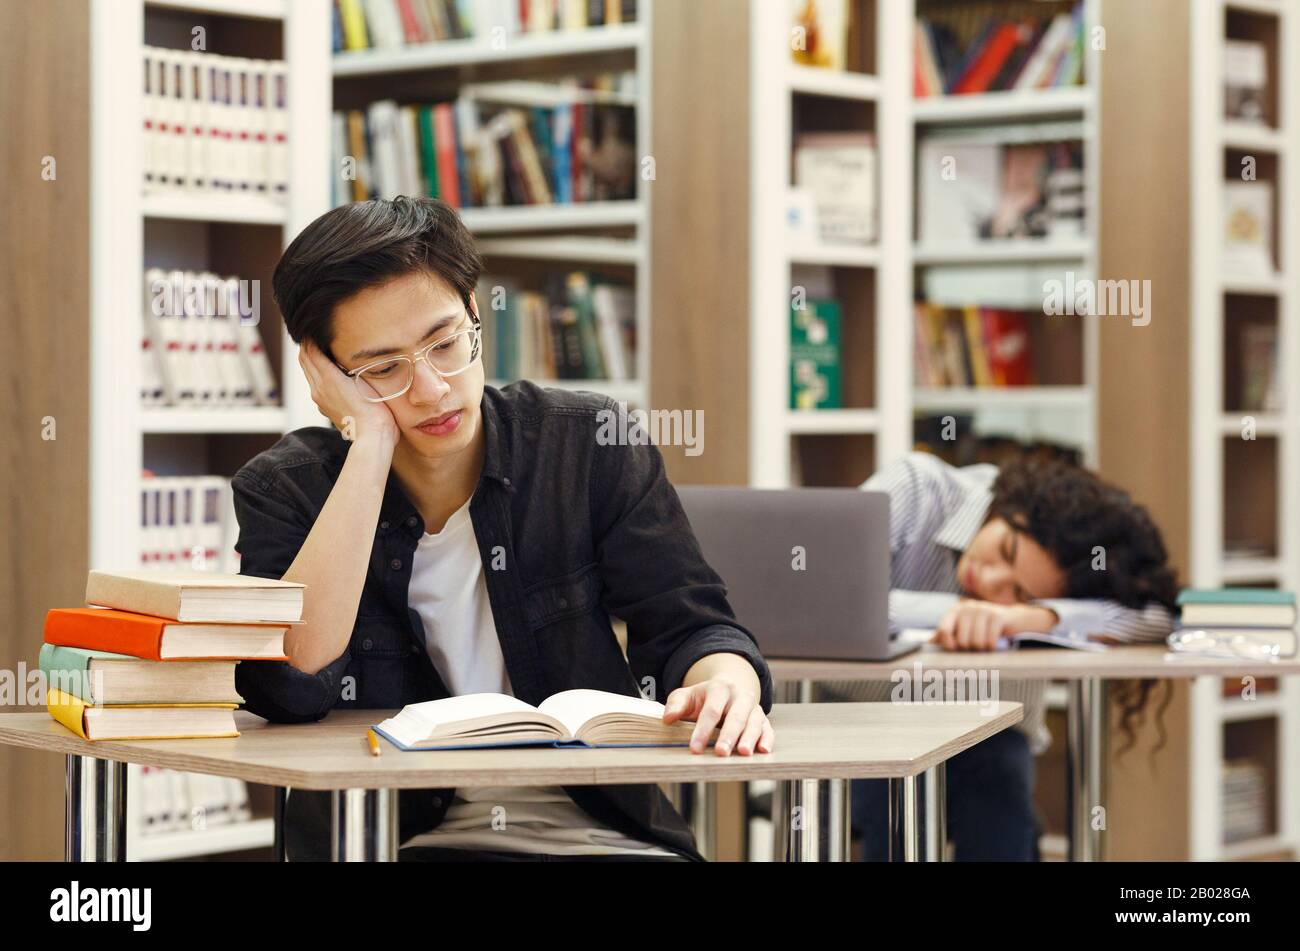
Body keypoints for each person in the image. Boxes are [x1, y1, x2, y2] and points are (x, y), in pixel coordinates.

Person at [230, 196, 775, 862]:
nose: (431, 389)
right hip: (392, 842)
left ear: (475, 317)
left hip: (602, 834)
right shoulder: (286, 487)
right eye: (384, 368)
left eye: (444, 344)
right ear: (326, 374)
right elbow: (293, 676)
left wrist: (728, 684)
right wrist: (369, 442)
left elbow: (692, 627)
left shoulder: (585, 446)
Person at [818, 450, 1179, 861]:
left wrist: (1040, 617)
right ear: (1009, 507)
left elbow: (1159, 618)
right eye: (1006, 551)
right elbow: (822, 590)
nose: (988, 580)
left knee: (998, 770)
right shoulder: (916, 490)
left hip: (986, 741)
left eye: (1020, 592)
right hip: (864, 727)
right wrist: (955, 614)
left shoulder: (1058, 590)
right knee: (904, 786)